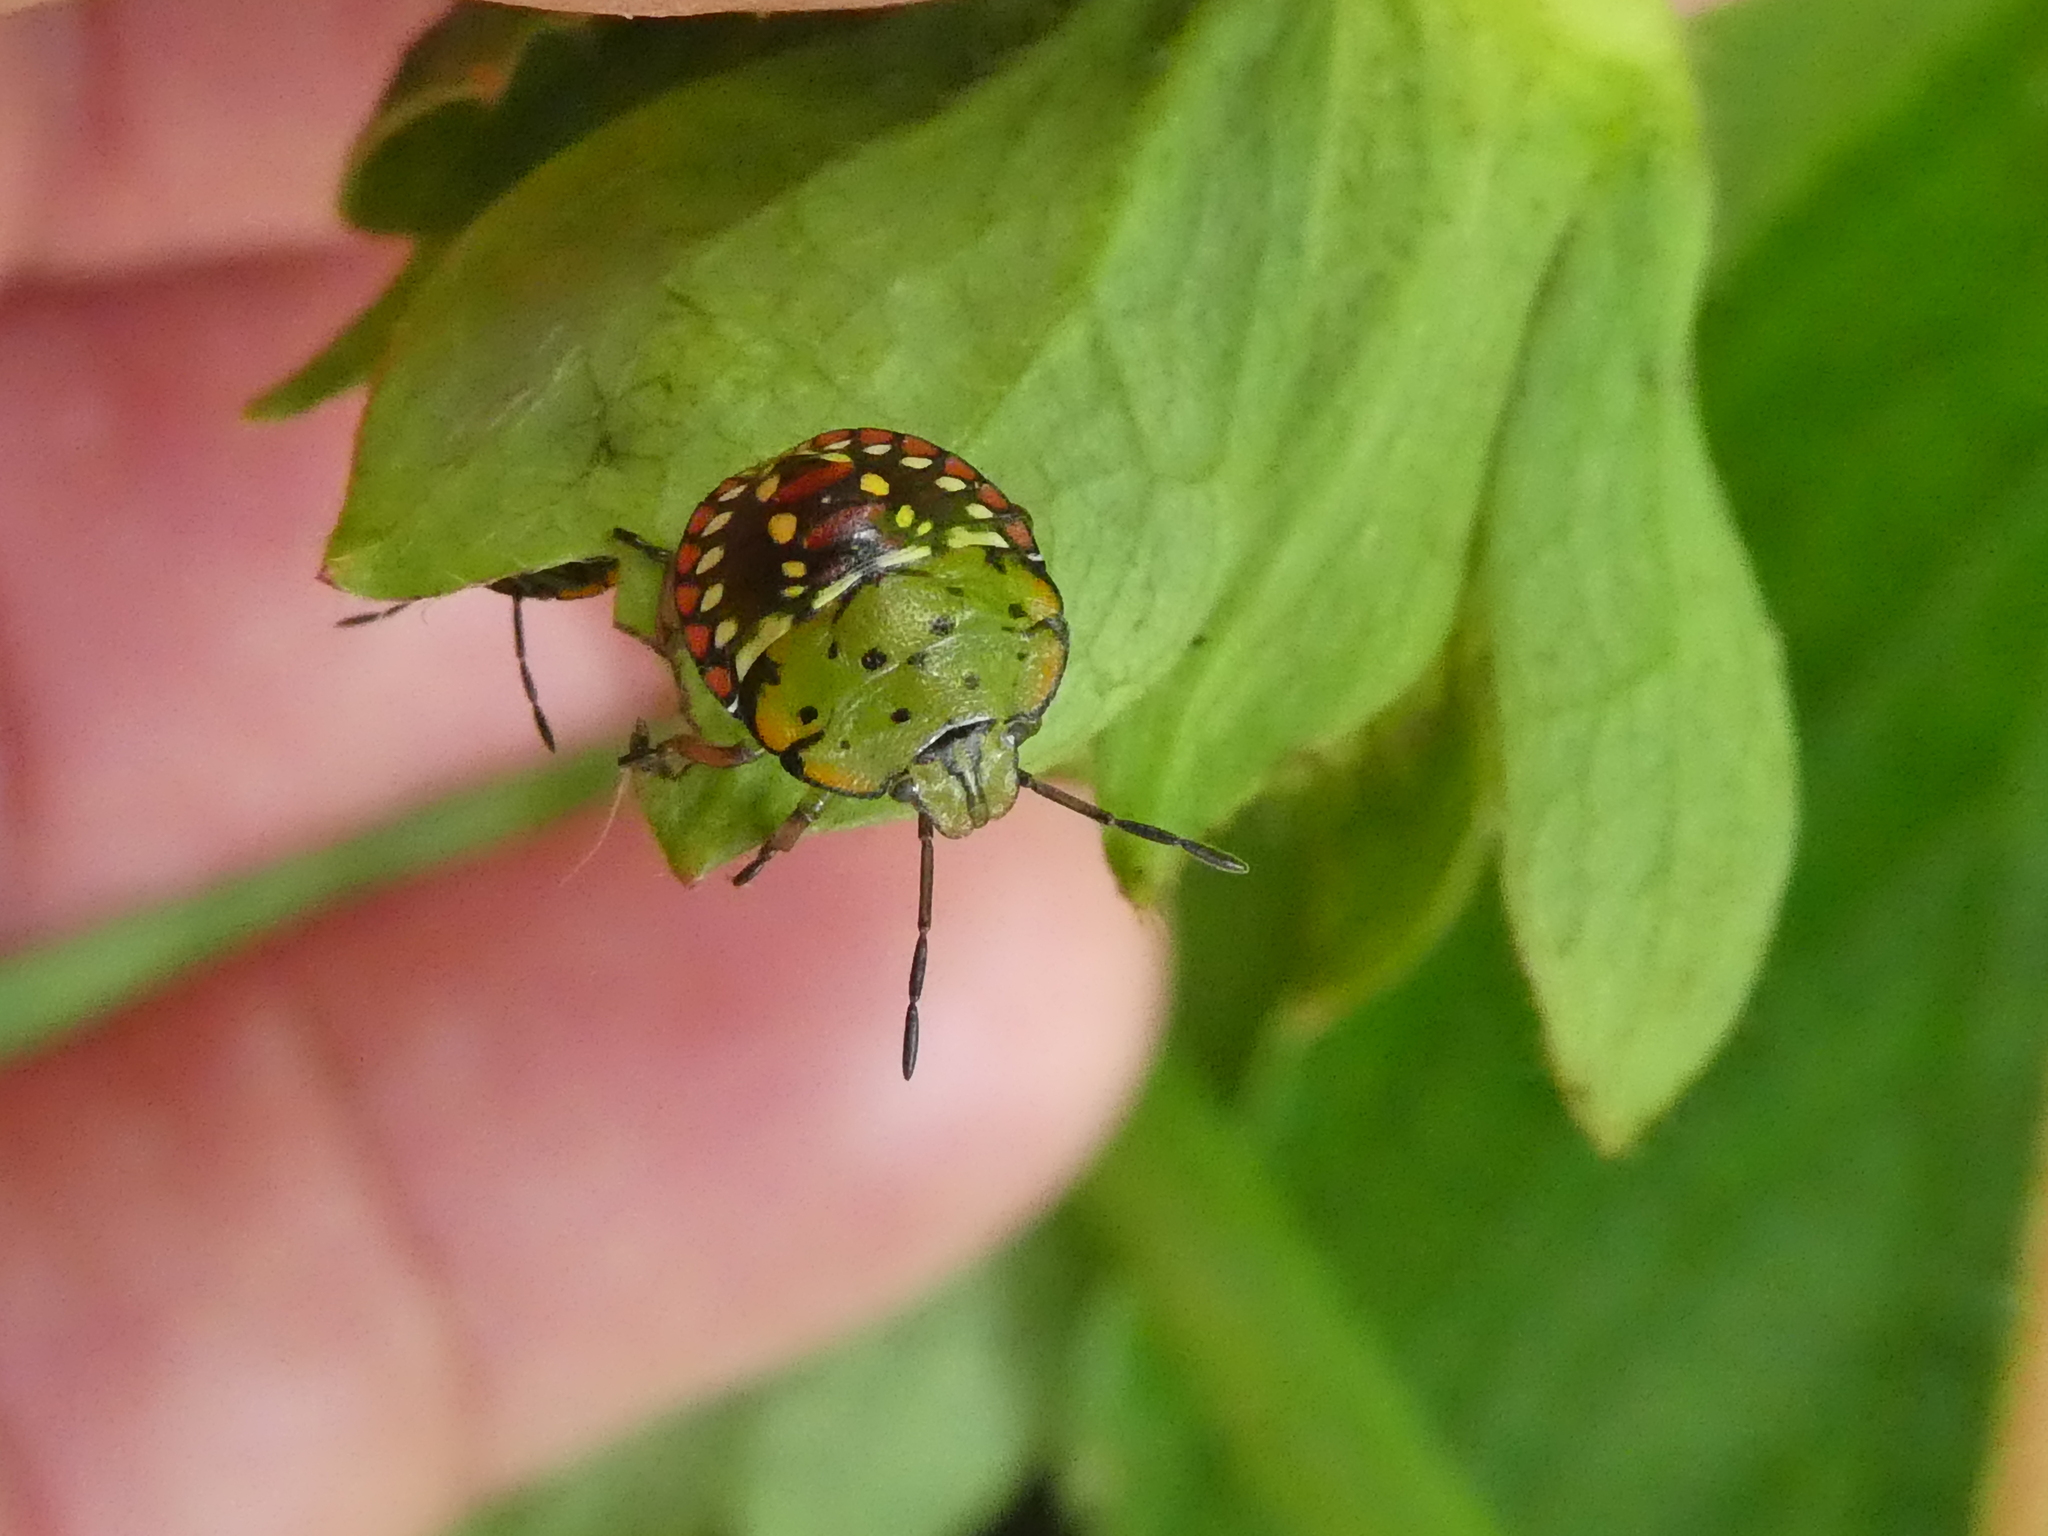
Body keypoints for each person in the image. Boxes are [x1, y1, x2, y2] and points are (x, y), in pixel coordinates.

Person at [0, 1, 1163, 1529]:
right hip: (783, 570)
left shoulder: (1006, 654)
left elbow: (977, 549)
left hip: (851, 520)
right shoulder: (860, 727)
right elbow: (783, 686)